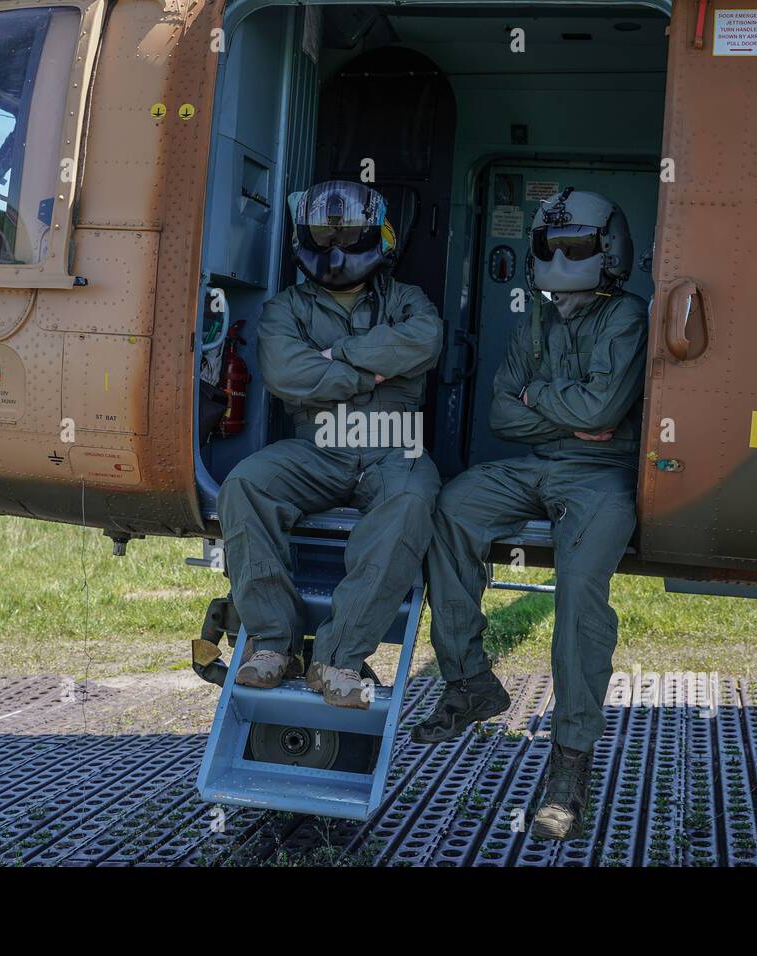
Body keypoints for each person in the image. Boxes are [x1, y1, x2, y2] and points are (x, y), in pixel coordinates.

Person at [414, 188, 648, 840]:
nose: (558, 257)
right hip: (536, 465)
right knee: (453, 507)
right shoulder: (535, 321)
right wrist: (563, 409)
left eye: (574, 246)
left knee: (577, 590)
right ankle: (470, 682)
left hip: (601, 477)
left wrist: (537, 398)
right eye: (549, 246)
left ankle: (570, 763)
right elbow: (499, 413)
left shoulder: (627, 319)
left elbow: (604, 413)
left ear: (608, 253)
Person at [217, 180, 443, 709]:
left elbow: (424, 342)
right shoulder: (285, 309)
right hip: (317, 445)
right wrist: (373, 372)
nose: (335, 245)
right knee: (245, 485)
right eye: (323, 232)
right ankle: (275, 644)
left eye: (348, 232)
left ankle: (338, 657)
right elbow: (286, 374)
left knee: (410, 502)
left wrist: (335, 355)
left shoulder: (407, 300)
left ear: (376, 236)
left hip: (395, 444)